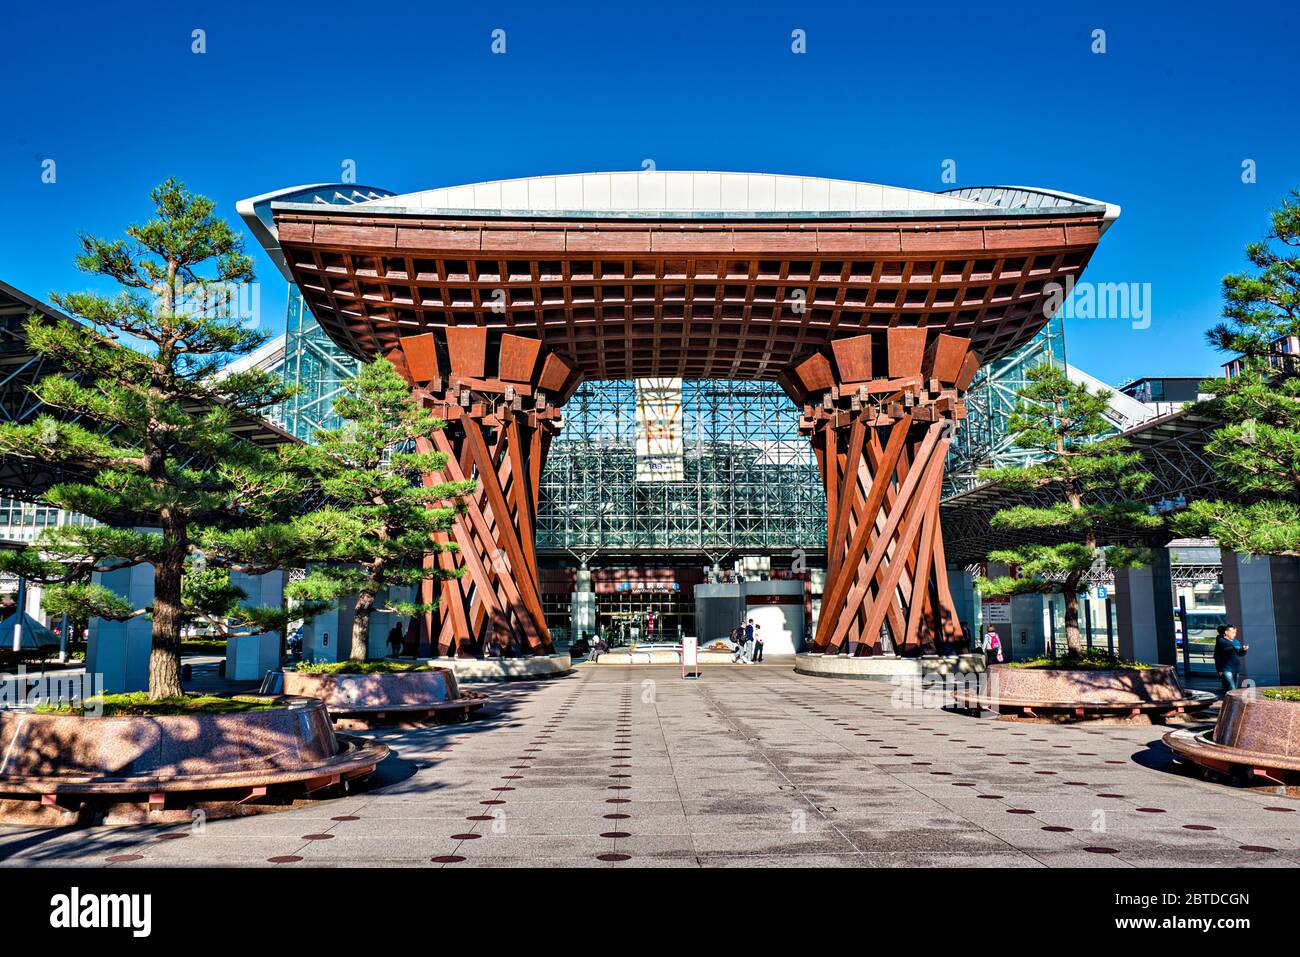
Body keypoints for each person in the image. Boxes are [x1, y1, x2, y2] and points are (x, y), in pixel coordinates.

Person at [1213, 624, 1248, 693]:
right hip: (1225, 669)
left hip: (1235, 668)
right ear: (1226, 632)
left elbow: (1240, 654)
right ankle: (1233, 702)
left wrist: (1244, 650)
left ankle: (1229, 701)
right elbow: (1217, 656)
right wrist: (1219, 670)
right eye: (1232, 632)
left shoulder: (1236, 641)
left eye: (1235, 632)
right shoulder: (1221, 641)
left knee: (1233, 689)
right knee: (1232, 688)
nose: (1234, 634)